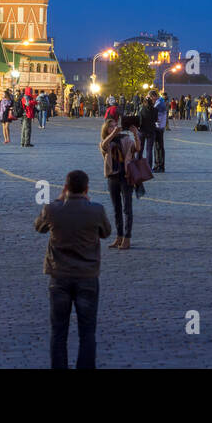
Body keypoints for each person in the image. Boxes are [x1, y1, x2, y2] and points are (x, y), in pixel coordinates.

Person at [34, 170, 112, 369]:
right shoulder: (96, 210)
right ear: (87, 189)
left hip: (59, 276)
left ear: (65, 188)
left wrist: (59, 201)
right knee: (87, 332)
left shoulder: (52, 209)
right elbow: (106, 232)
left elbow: (39, 227)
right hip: (87, 276)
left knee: (58, 332)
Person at [100, 113, 139, 250]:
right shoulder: (107, 141)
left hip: (125, 177)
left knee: (127, 209)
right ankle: (119, 236)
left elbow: (137, 149)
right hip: (112, 178)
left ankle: (127, 238)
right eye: (111, 126)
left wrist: (136, 134)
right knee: (116, 209)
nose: (114, 128)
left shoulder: (126, 138)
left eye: (115, 125)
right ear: (106, 129)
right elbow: (104, 146)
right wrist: (112, 134)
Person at [140, 90, 161, 170]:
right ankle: (149, 168)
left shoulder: (141, 108)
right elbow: (156, 120)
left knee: (140, 150)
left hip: (142, 130)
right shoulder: (155, 110)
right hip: (151, 131)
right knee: (149, 150)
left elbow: (139, 119)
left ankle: (137, 166)